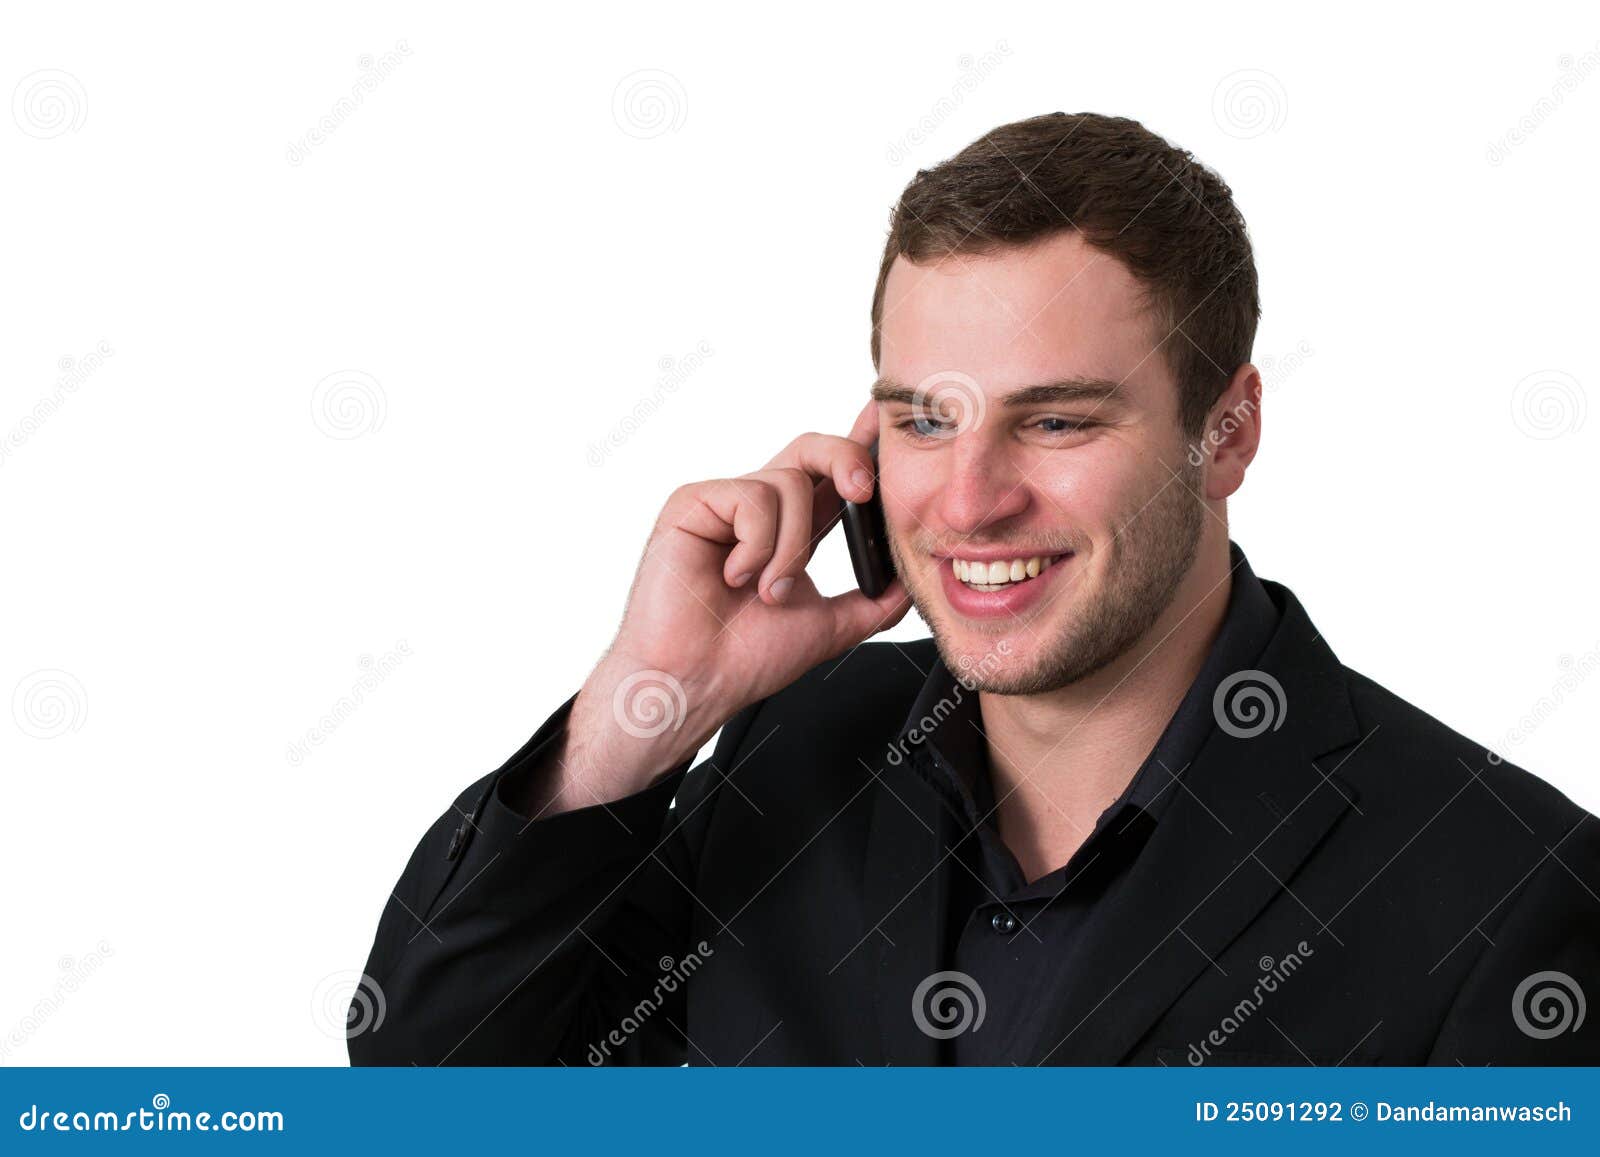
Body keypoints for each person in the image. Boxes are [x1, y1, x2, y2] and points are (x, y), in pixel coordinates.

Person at [350, 112, 1599, 1066]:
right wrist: (647, 703)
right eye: (925, 419)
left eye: (1054, 420)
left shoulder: (1504, 890)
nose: (967, 500)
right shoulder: (797, 751)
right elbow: (433, 1080)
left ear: (1224, 434)